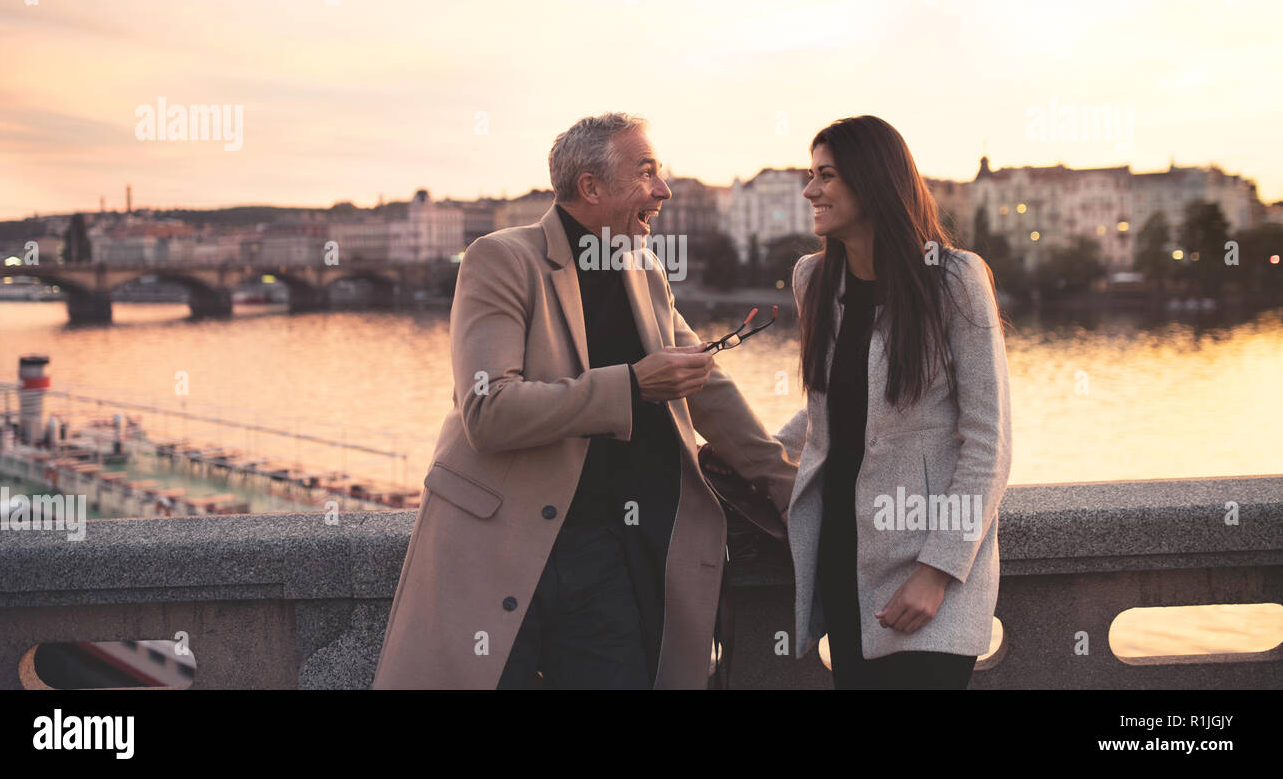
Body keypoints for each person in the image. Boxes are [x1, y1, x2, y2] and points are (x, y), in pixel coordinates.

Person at [372, 112, 796, 689]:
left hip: (604, 553)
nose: (663, 190)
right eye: (645, 173)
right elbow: (487, 412)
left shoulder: (644, 268)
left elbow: (705, 384)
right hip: (499, 545)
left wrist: (781, 481)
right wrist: (632, 385)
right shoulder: (501, 258)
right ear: (590, 187)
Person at [773, 115, 1012, 689]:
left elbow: (989, 440)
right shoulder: (813, 279)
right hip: (844, 553)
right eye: (812, 176)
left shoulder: (954, 280)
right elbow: (828, 409)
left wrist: (938, 571)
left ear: (871, 179)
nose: (811, 191)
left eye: (825, 176)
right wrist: (744, 452)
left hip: (929, 563)